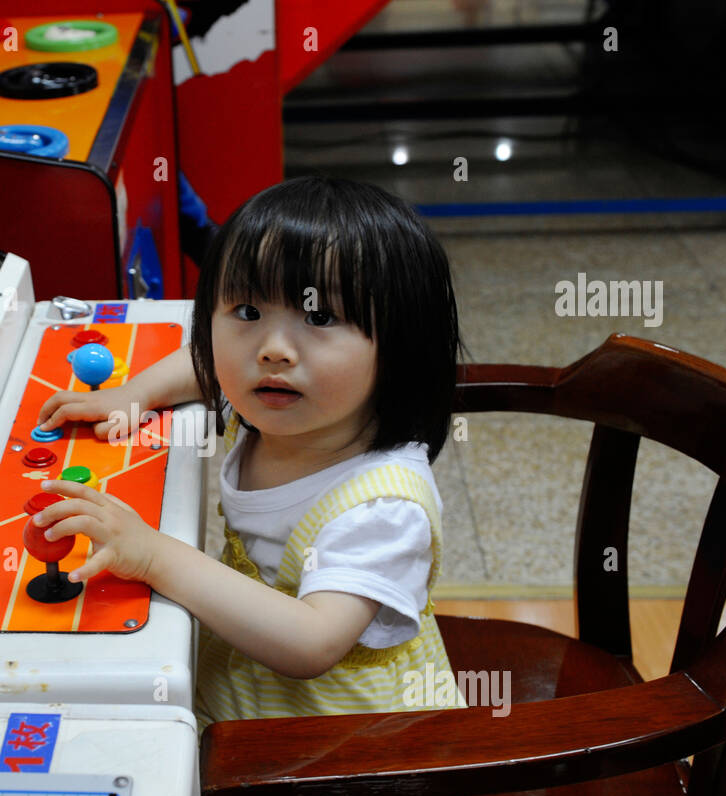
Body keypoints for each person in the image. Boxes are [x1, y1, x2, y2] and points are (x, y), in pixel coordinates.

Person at [35, 176, 466, 737]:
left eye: (319, 318)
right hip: (253, 665)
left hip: (334, 741)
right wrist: (132, 394)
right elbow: (209, 365)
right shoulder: (284, 402)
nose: (272, 349)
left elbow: (312, 643)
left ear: (403, 348)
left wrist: (154, 556)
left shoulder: (381, 507)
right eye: (246, 309)